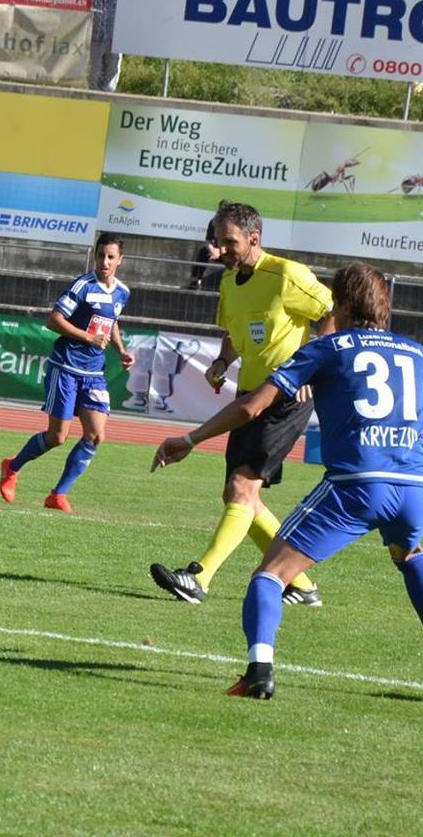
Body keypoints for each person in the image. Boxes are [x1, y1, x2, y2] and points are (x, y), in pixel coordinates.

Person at [151, 263, 423, 701]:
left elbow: (251, 407)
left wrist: (190, 439)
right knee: (409, 554)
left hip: (356, 484)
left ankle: (258, 673)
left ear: (342, 304)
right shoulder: (416, 352)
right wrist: (417, 468)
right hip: (413, 489)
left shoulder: (327, 348)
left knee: (269, 576)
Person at [149, 202, 331, 607]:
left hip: (286, 396)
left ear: (254, 238)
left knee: (241, 488)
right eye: (218, 241)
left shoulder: (286, 274)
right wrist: (221, 362)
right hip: (248, 392)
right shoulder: (230, 282)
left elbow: (334, 311)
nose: (222, 250)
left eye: (229, 241)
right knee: (243, 497)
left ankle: (199, 578)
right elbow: (234, 332)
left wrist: (311, 366)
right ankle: (301, 586)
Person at [0, 233, 134, 514]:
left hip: (94, 373)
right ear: (94, 255)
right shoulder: (83, 286)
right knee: (57, 436)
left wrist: (121, 350)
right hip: (66, 367)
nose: (104, 262)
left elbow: (112, 320)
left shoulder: (122, 291)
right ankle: (12, 467)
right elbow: (53, 320)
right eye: (101, 255)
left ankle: (57, 495)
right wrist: (88, 337)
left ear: (120, 260)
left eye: (110, 257)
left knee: (96, 436)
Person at [91, 0, 122, 91]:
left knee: (112, 69)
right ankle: (94, 93)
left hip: (114, 40)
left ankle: (107, 93)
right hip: (96, 39)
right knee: (95, 70)